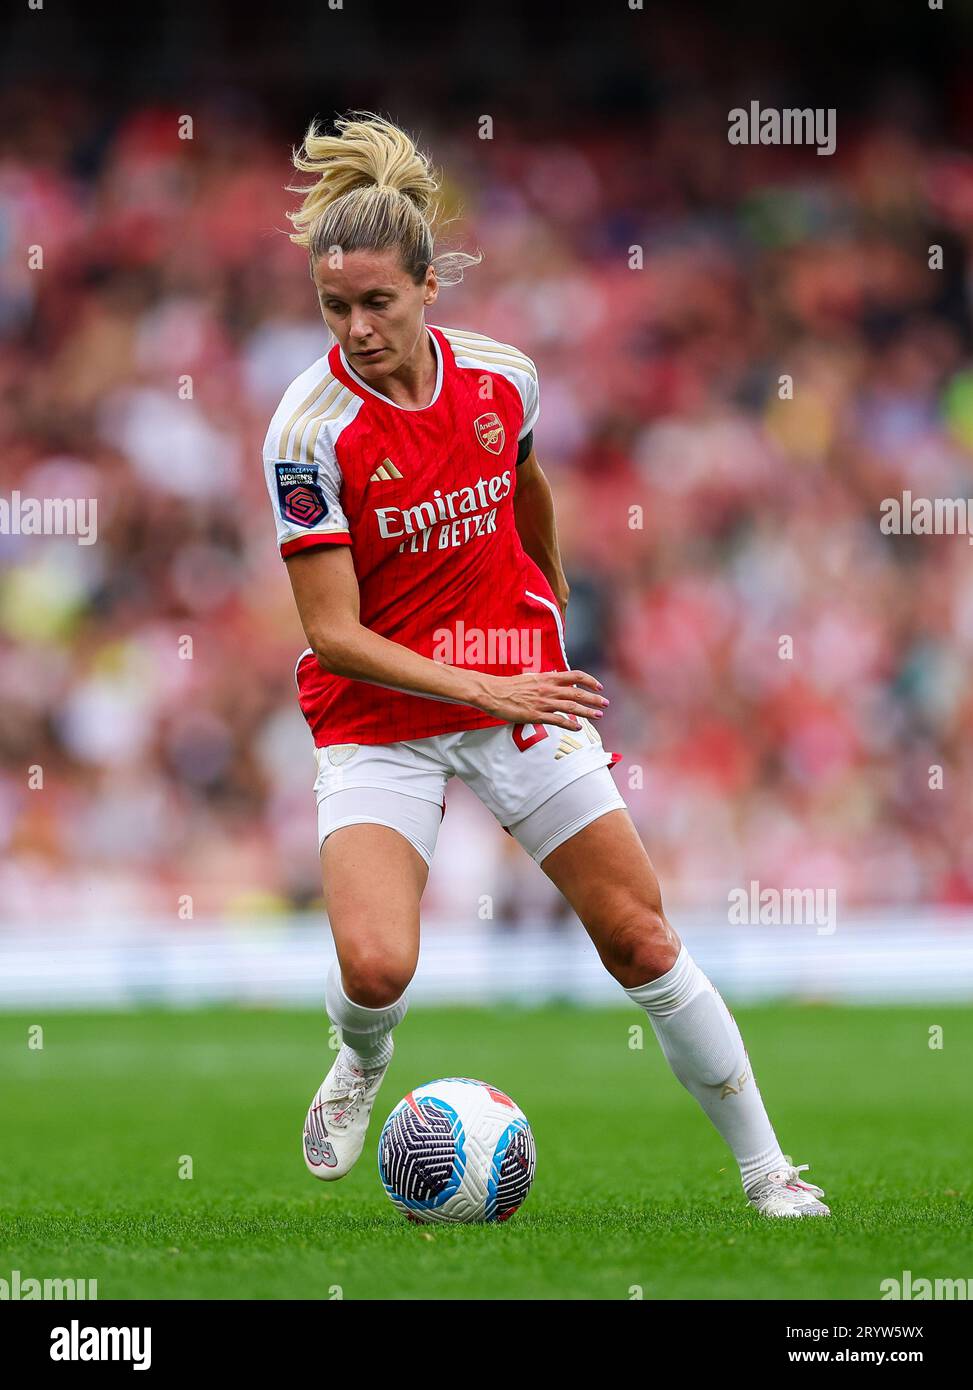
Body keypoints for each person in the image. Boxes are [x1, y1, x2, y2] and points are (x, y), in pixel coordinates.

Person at [262, 111, 828, 1218]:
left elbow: (523, 482)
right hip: (378, 710)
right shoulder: (308, 432)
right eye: (335, 308)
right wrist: (485, 683)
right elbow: (332, 632)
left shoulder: (502, 376)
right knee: (376, 968)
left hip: (517, 687)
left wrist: (550, 583)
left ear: (427, 286)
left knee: (640, 938)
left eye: (378, 302)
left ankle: (770, 1172)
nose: (359, 328)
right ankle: (363, 1055)